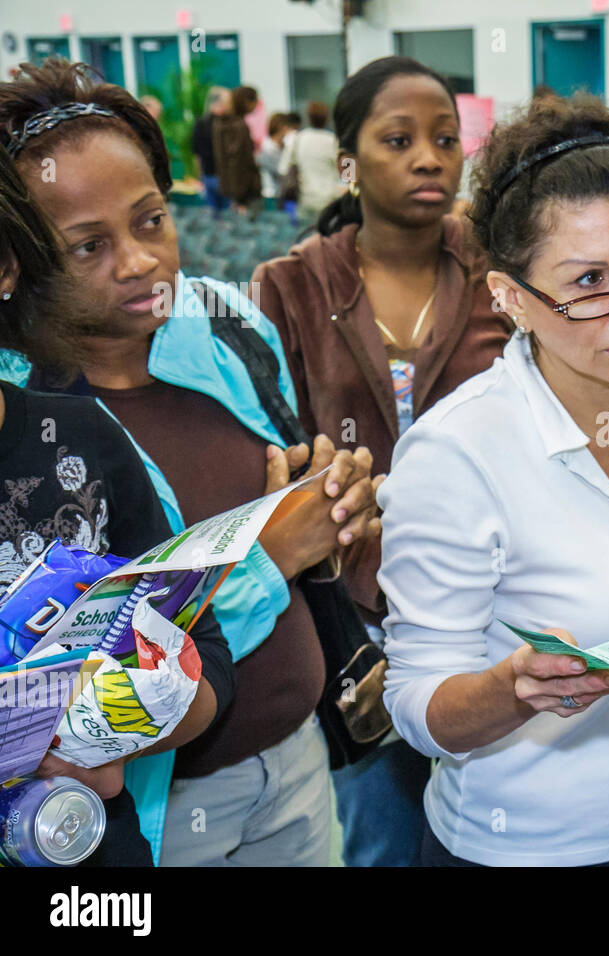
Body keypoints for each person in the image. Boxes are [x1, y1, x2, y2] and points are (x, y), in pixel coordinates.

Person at [0, 57, 381, 866]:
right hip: (151, 806)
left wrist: (334, 499)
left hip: (301, 757)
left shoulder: (223, 320)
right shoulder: (26, 425)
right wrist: (274, 555)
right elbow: (85, 663)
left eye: (151, 220)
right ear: (21, 266)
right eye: (86, 247)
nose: (140, 262)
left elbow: (289, 486)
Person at [379, 94, 609, 867]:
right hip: (525, 850)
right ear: (511, 299)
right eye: (588, 282)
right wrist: (513, 690)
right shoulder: (458, 453)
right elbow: (416, 705)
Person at [253, 55, 512, 867]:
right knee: (384, 842)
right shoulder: (290, 286)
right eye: (398, 140)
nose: (430, 157)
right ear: (346, 163)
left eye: (445, 138)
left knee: (499, 828)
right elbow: (277, 470)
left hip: (495, 603)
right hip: (355, 612)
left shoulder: (503, 276)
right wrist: (350, 643)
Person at [0, 145, 235, 867]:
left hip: (89, 853)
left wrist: (118, 726)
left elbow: (210, 669)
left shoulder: (80, 437)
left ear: (5, 270)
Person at [281, 100, 344, 225]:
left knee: (306, 238)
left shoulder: (298, 139)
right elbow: (348, 172)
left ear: (308, 117)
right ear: (327, 118)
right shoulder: (333, 141)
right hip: (329, 200)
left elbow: (283, 168)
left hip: (305, 199)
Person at [214, 85, 263, 215]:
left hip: (231, 189)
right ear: (247, 102)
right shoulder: (239, 126)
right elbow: (237, 161)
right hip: (244, 192)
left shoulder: (220, 123)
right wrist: (240, 197)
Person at [190, 86, 229, 218]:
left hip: (207, 175)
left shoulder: (200, 123)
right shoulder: (224, 124)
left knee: (214, 218)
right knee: (227, 218)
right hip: (221, 177)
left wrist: (200, 176)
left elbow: (196, 155)